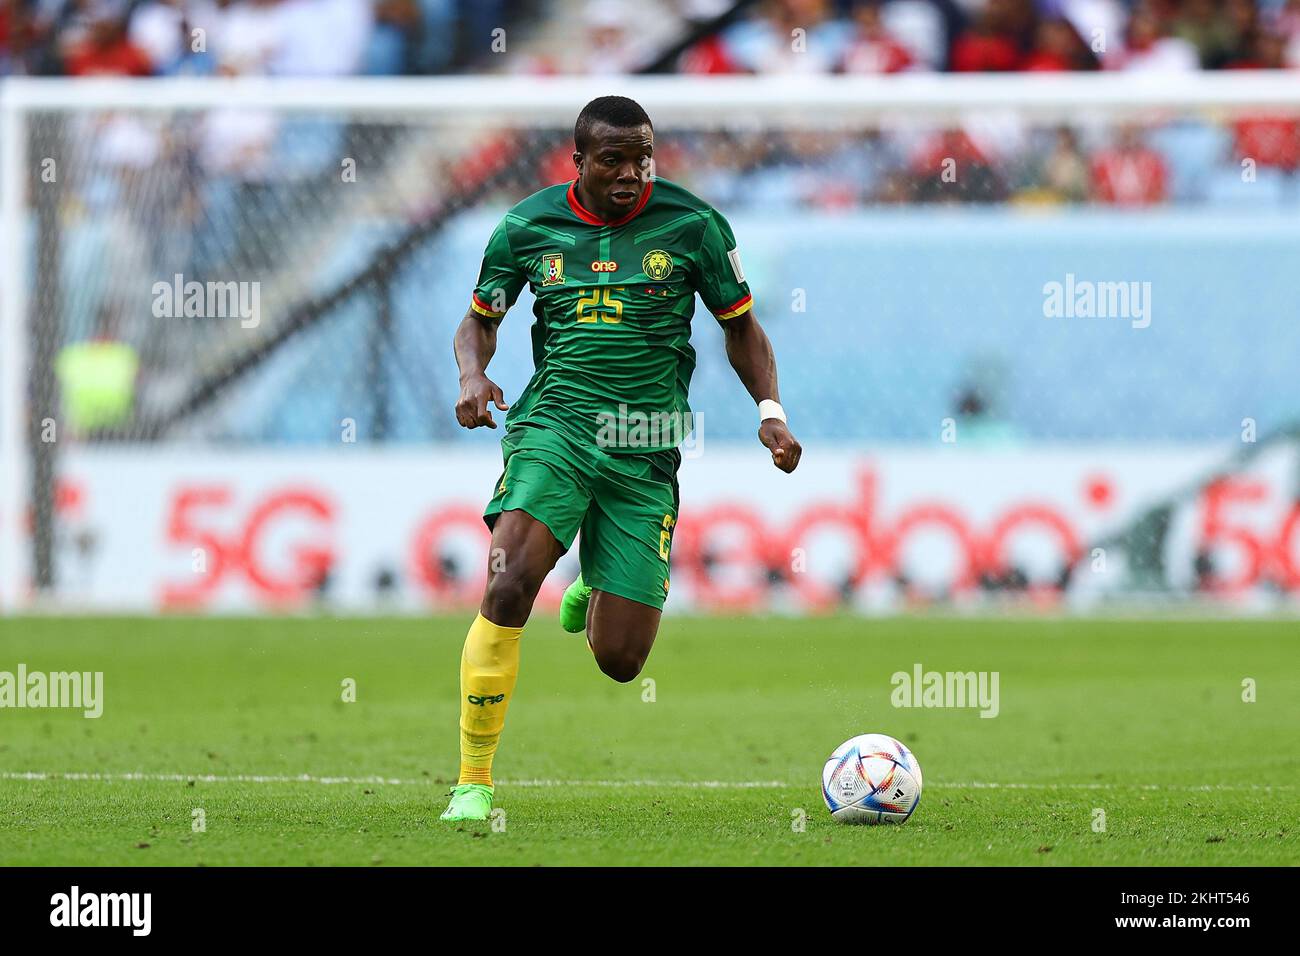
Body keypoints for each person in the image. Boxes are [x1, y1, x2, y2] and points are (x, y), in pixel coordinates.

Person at [441, 95, 802, 822]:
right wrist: (473, 377)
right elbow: (479, 323)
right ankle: (473, 782)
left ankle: (592, 581)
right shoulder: (526, 226)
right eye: (614, 159)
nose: (632, 172)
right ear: (578, 161)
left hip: (644, 448)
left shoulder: (694, 226)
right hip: (557, 426)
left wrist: (771, 413)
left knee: (621, 661)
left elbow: (743, 330)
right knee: (508, 583)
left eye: (643, 157)